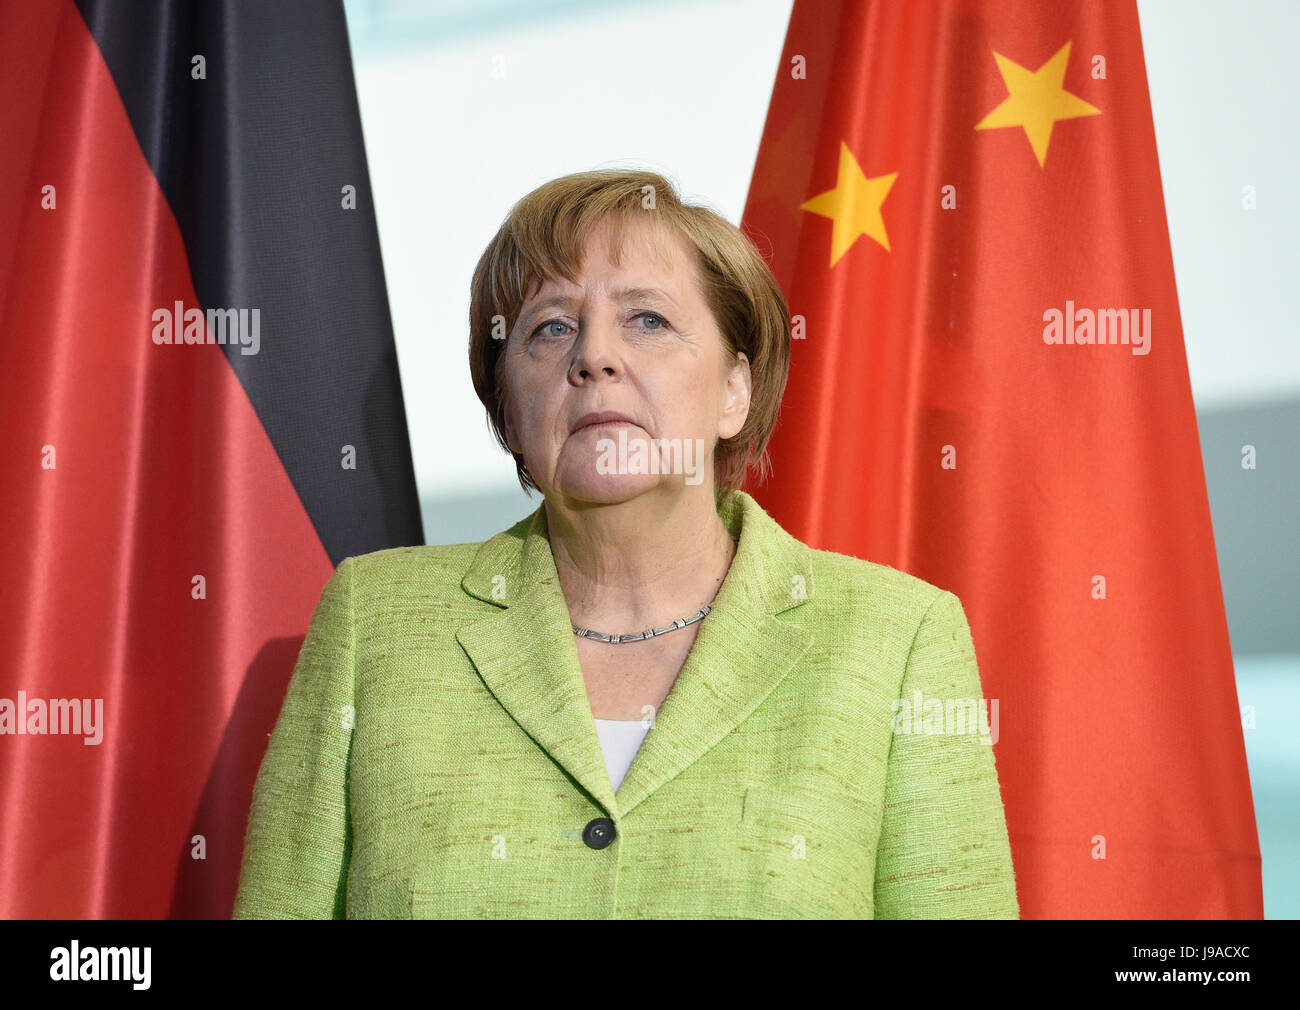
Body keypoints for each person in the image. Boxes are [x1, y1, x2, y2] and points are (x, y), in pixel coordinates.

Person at [232, 168, 1019, 919]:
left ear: (734, 391)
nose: (593, 356)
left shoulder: (898, 637)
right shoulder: (375, 621)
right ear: (509, 412)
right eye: (550, 328)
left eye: (647, 319)